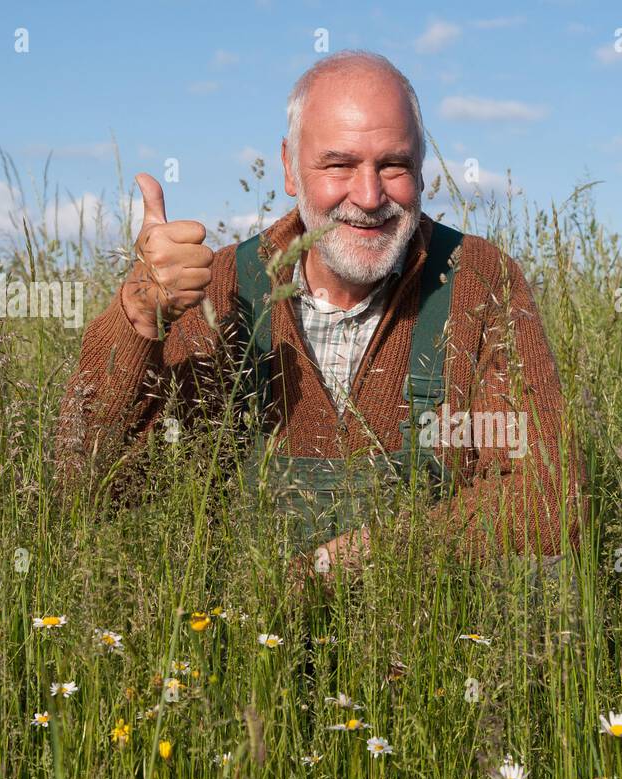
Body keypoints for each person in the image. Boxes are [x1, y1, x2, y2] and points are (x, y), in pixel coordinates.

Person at [55, 50, 583, 584]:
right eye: (339, 164)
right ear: (289, 167)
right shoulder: (220, 292)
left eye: (393, 164)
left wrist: (348, 562)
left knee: (549, 585)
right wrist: (138, 317)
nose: (370, 195)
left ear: (422, 168)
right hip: (246, 639)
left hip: (431, 643)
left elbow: (551, 494)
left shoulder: (477, 280)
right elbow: (82, 483)